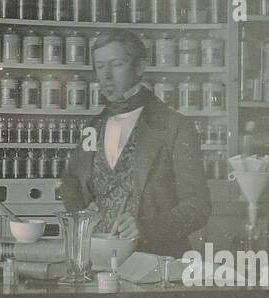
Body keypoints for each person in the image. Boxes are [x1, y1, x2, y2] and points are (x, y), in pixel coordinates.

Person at [59, 29, 210, 254]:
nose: (106, 75)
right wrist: (82, 213)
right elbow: (69, 182)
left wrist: (146, 227)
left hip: (156, 262)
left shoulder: (175, 127)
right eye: (100, 67)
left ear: (139, 67)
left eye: (117, 64)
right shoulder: (93, 127)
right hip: (97, 257)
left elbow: (198, 207)